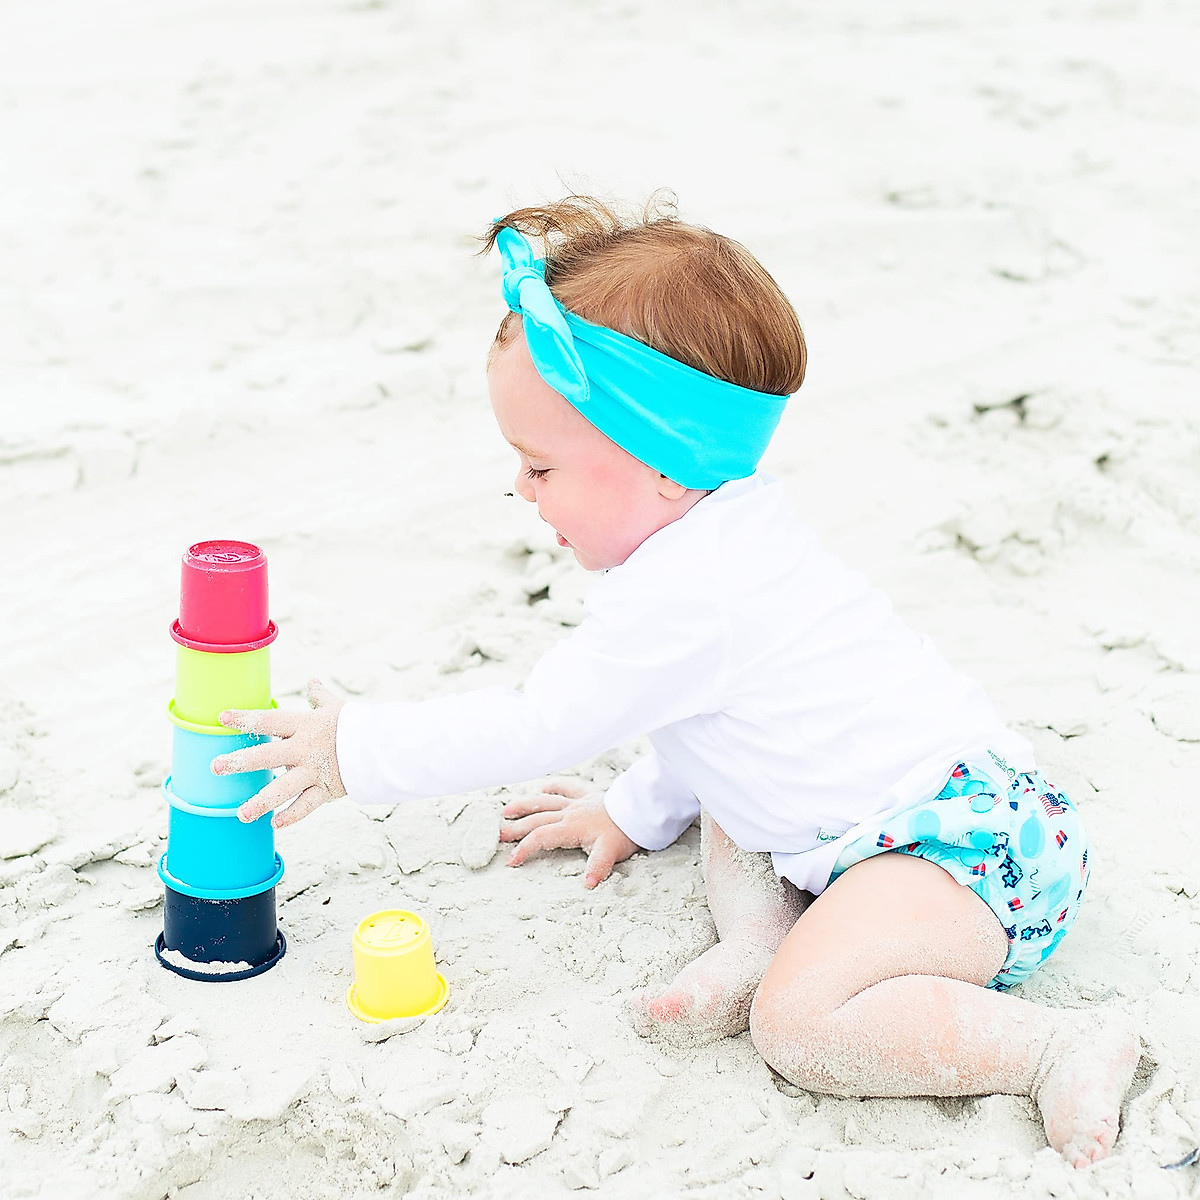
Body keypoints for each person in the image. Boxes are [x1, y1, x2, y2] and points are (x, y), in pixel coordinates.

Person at [212, 192, 1140, 1169]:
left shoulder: (690, 596)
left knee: (803, 1026)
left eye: (539, 466)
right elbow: (700, 728)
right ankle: (758, 934)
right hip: (890, 824)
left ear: (658, 465)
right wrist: (635, 809)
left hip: (966, 858)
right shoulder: (721, 531)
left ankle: (1053, 1048)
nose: (520, 490)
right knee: (733, 797)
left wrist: (356, 749)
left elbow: (539, 726)